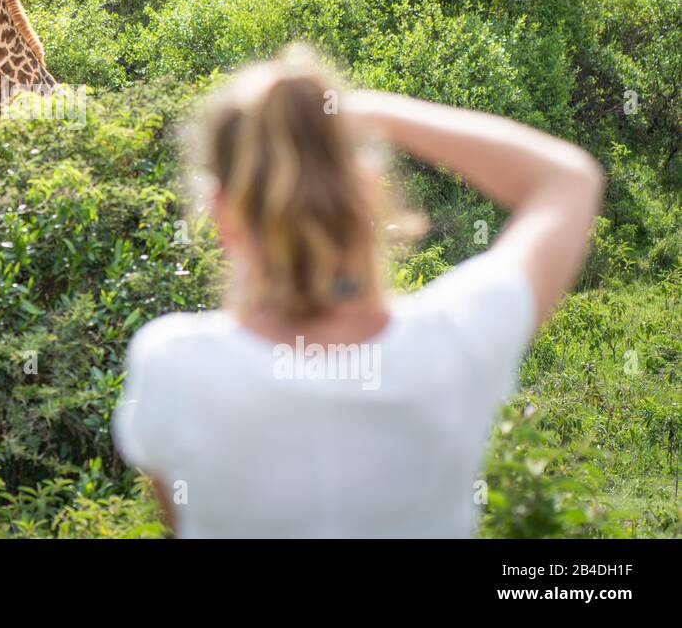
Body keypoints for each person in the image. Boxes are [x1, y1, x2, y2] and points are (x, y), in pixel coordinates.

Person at [112, 45, 604, 537]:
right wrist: (367, 111)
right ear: (367, 189)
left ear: (220, 214)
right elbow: (568, 179)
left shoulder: (171, 365)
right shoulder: (453, 343)